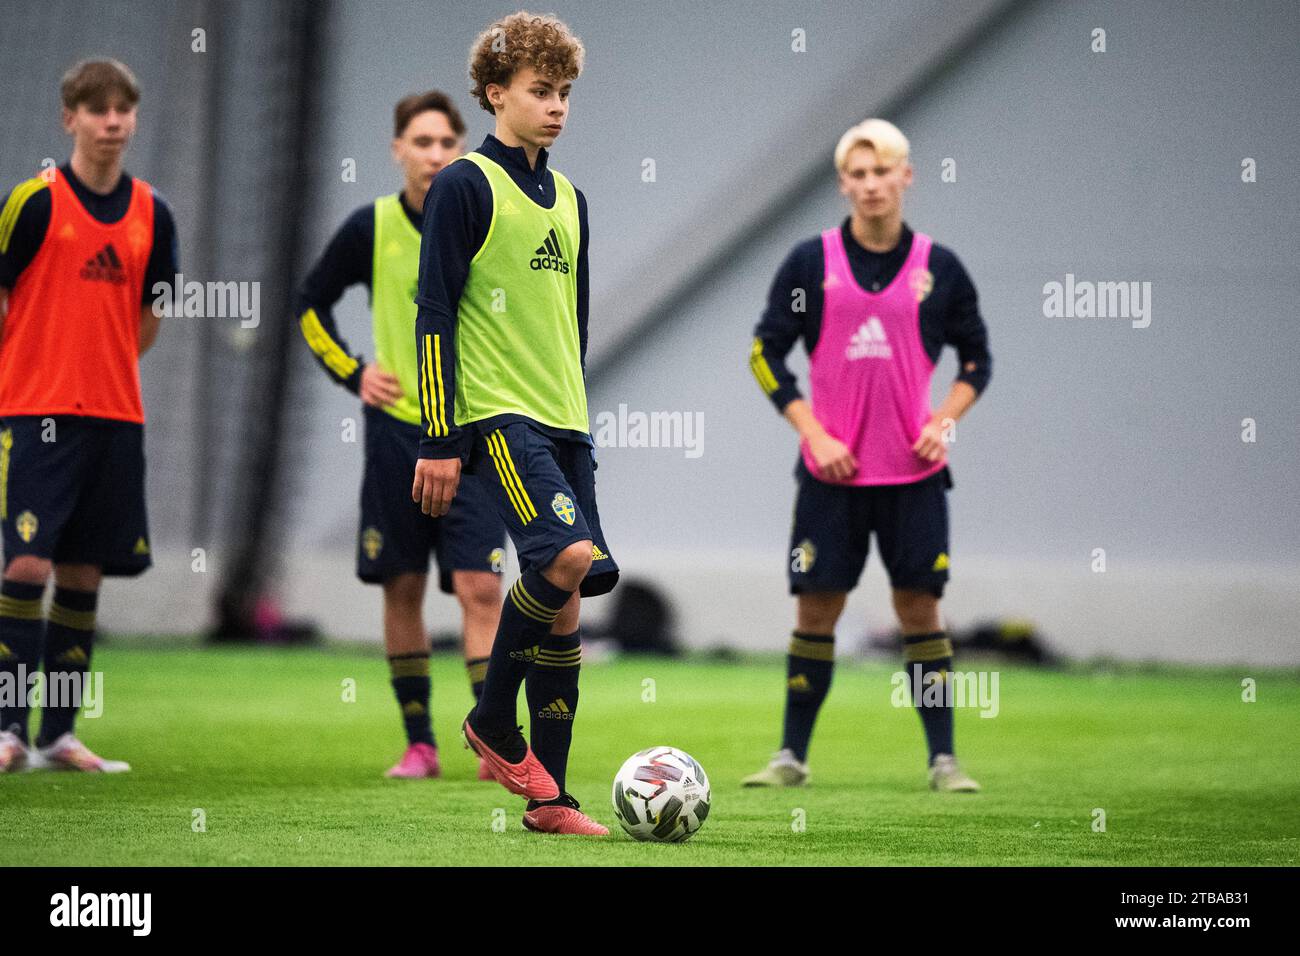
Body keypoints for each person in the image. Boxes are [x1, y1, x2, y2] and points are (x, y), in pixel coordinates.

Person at [412, 11, 619, 835]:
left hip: (567, 423)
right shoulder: (465, 184)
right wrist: (440, 438)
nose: (558, 106)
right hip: (498, 414)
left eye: (565, 92)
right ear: (497, 94)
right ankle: (492, 722)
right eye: (541, 91)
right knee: (564, 557)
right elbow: (433, 313)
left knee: (568, 602)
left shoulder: (572, 198)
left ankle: (552, 800)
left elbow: (574, 322)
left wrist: (582, 421)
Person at [742, 119, 992, 792]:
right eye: (858, 174)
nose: (871, 184)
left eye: (883, 171)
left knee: (920, 610)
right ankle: (790, 757)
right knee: (815, 612)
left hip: (915, 476)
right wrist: (812, 432)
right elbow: (764, 354)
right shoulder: (807, 263)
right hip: (830, 477)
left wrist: (945, 420)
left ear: (905, 176)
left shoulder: (940, 269)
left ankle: (944, 761)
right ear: (842, 183)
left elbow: (977, 361)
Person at [297, 91, 506, 779]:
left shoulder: (483, 221)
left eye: (448, 142)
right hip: (396, 437)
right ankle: (420, 742)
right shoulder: (372, 227)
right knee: (403, 586)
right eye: (422, 142)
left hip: (473, 436)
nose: (436, 154)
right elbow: (309, 306)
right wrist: (352, 372)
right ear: (398, 150)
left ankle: (492, 739)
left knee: (481, 587)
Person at [0, 59, 178, 773]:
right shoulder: (32, 203)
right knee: (28, 562)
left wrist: (100, 365)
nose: (112, 122)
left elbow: (148, 316)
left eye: (123, 110)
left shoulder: (152, 214)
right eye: (96, 109)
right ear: (68, 118)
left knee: (82, 574)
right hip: (35, 413)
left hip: (115, 418)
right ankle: (8, 730)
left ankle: (58, 735)